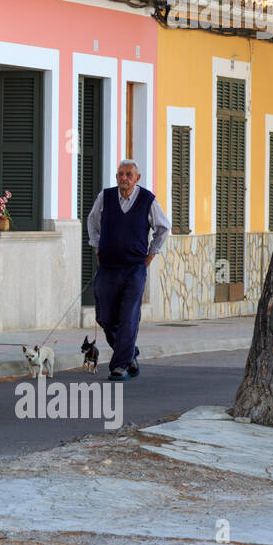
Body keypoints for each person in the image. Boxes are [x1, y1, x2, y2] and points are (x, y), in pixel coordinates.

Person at [86, 159, 171, 381]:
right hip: (108, 267)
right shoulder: (105, 197)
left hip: (134, 268)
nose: (123, 178)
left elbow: (163, 227)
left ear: (137, 178)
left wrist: (151, 255)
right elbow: (92, 221)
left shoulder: (147, 200)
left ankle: (120, 366)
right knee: (104, 316)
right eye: (120, 174)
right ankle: (130, 353)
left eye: (128, 175)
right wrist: (96, 247)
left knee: (128, 317)